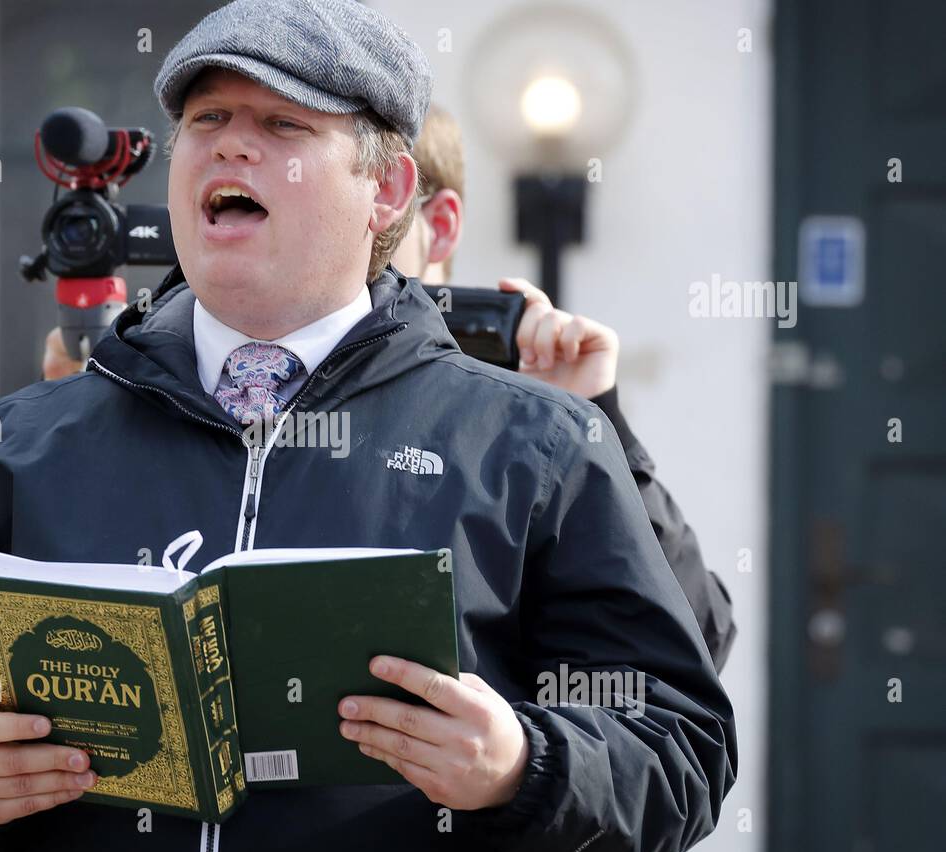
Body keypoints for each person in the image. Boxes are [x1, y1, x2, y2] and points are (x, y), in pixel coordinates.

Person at [0, 0, 735, 852]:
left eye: (284, 124)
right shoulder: (24, 440)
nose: (230, 140)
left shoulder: (536, 444)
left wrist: (520, 767)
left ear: (386, 189)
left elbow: (680, 747)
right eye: (207, 115)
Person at [43, 103, 737, 672]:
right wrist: (103, 422)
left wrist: (597, 421)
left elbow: (688, 646)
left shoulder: (519, 409)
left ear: (421, 217)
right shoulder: (192, 368)